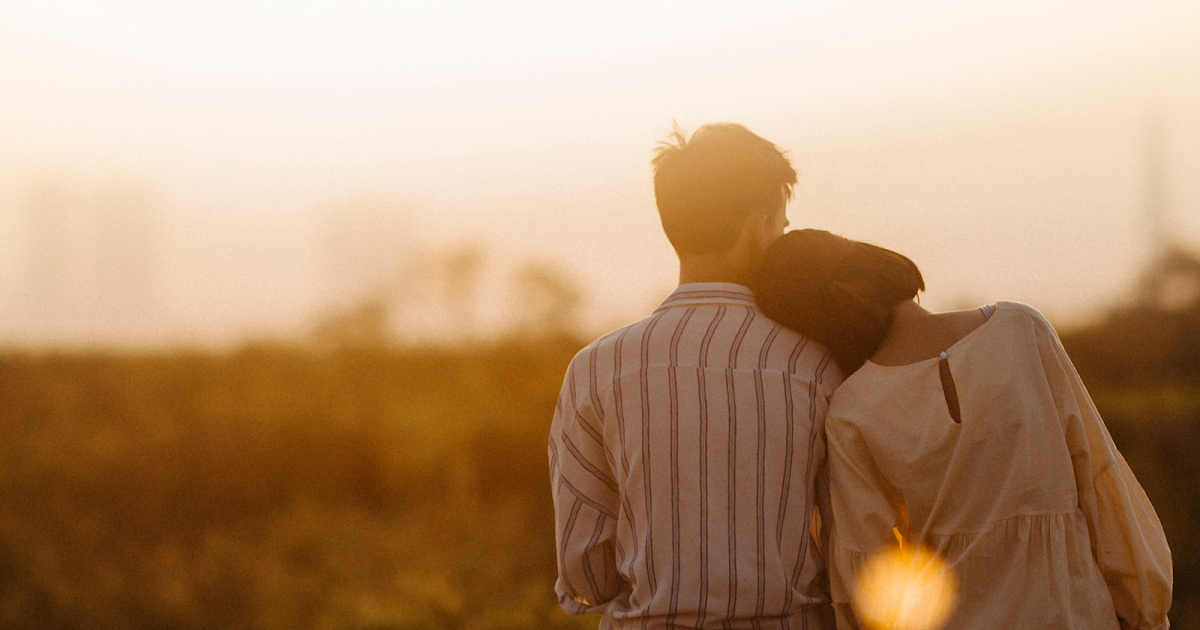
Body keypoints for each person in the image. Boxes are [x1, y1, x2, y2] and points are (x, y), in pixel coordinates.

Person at [752, 229, 1173, 630]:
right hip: (1075, 615)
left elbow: (868, 582)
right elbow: (1101, 483)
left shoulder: (850, 412)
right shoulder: (1022, 330)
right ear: (872, 260)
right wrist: (1147, 614)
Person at [548, 125, 843, 629]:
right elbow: (850, 542)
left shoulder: (596, 368)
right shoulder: (815, 364)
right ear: (758, 227)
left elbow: (586, 571)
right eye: (782, 227)